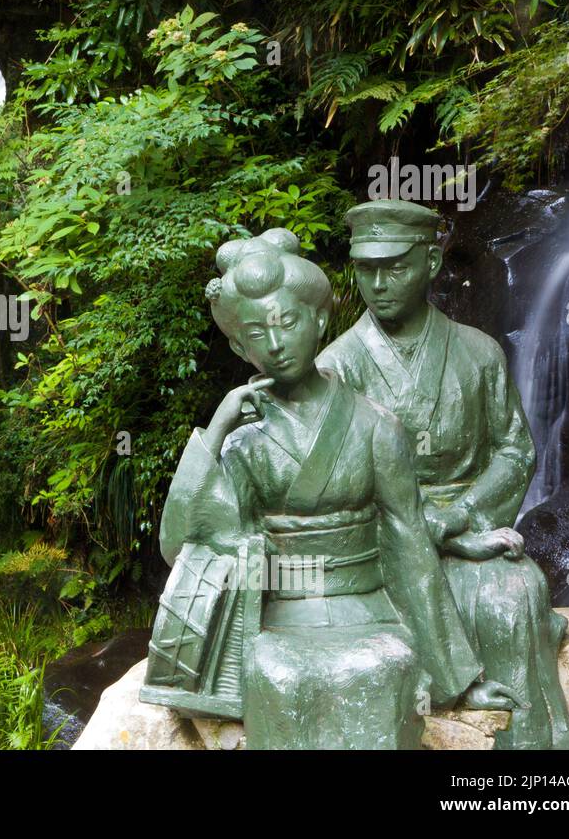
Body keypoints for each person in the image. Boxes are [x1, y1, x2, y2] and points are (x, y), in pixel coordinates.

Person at [143, 227, 515, 748]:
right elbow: (183, 544)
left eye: (288, 323)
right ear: (236, 343)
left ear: (318, 319)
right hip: (279, 615)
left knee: (382, 668)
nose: (275, 345)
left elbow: (407, 543)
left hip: (367, 607)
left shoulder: (374, 426)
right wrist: (215, 432)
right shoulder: (242, 439)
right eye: (255, 333)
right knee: (276, 674)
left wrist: (456, 677)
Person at [318, 199, 569, 750]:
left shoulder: (478, 353)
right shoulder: (337, 367)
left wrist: (458, 519)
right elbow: (332, 485)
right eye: (366, 268)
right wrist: (419, 528)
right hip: (385, 542)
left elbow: (513, 451)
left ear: (431, 264)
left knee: (515, 592)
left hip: (468, 526)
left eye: (396, 266)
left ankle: (529, 770)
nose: (379, 283)